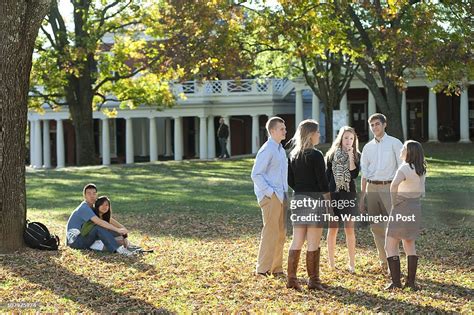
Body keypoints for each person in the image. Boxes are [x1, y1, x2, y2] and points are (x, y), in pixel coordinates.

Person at [287, 119, 330, 291]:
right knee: (313, 242)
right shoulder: (316, 155)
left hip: (298, 199)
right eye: (318, 132)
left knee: (297, 240)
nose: (319, 135)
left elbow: (289, 180)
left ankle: (291, 279)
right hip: (314, 200)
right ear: (311, 134)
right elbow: (323, 183)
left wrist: (300, 189)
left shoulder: (293, 155)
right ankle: (314, 281)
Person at [359, 113, 403, 272]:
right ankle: (384, 262)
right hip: (372, 188)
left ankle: (394, 262)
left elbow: (402, 168)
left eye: (377, 124)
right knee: (376, 227)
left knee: (392, 227)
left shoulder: (395, 143)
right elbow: (364, 172)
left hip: (389, 187)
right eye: (372, 125)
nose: (375, 127)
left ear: (385, 125)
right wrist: (362, 196)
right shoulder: (367, 147)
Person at [384, 140, 426, 291]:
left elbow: (393, 185)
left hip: (402, 206)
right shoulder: (421, 169)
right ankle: (411, 283)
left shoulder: (405, 168)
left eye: (404, 148)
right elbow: (422, 191)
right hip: (415, 206)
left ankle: (396, 283)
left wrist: (394, 203)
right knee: (409, 243)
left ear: (410, 152)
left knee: (390, 244)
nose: (401, 150)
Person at [251, 116, 287, 277]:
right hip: (271, 197)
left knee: (281, 233)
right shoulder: (267, 149)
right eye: (281, 128)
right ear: (272, 131)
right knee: (270, 232)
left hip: (281, 197)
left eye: (284, 128)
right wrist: (270, 193)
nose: (285, 131)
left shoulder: (281, 149)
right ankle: (262, 269)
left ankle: (276, 268)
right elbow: (256, 174)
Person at [325, 126, 361, 273]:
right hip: (334, 195)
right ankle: (331, 262)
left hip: (349, 195)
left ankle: (351, 263)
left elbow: (353, 175)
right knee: (333, 229)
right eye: (346, 138)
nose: (348, 141)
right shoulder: (331, 155)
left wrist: (351, 156)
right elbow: (326, 179)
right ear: (340, 138)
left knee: (349, 229)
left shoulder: (356, 154)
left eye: (351, 138)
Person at [65, 183, 133, 256]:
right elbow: (100, 222)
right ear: (84, 196)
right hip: (75, 242)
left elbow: (107, 218)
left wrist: (122, 228)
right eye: (89, 193)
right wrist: (117, 229)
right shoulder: (84, 208)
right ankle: (117, 249)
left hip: (84, 235)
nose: (92, 196)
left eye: (94, 193)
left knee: (116, 234)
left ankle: (102, 244)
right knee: (98, 227)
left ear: (96, 195)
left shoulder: (91, 207)